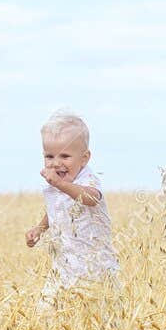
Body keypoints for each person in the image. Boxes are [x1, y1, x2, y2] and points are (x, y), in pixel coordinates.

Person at [25, 110, 121, 302]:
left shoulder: (87, 180)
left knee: (96, 309)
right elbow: (57, 209)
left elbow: (91, 198)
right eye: (49, 156)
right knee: (48, 309)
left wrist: (61, 184)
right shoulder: (59, 184)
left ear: (84, 158)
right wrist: (40, 228)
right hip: (63, 264)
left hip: (94, 264)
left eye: (65, 156)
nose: (56, 163)